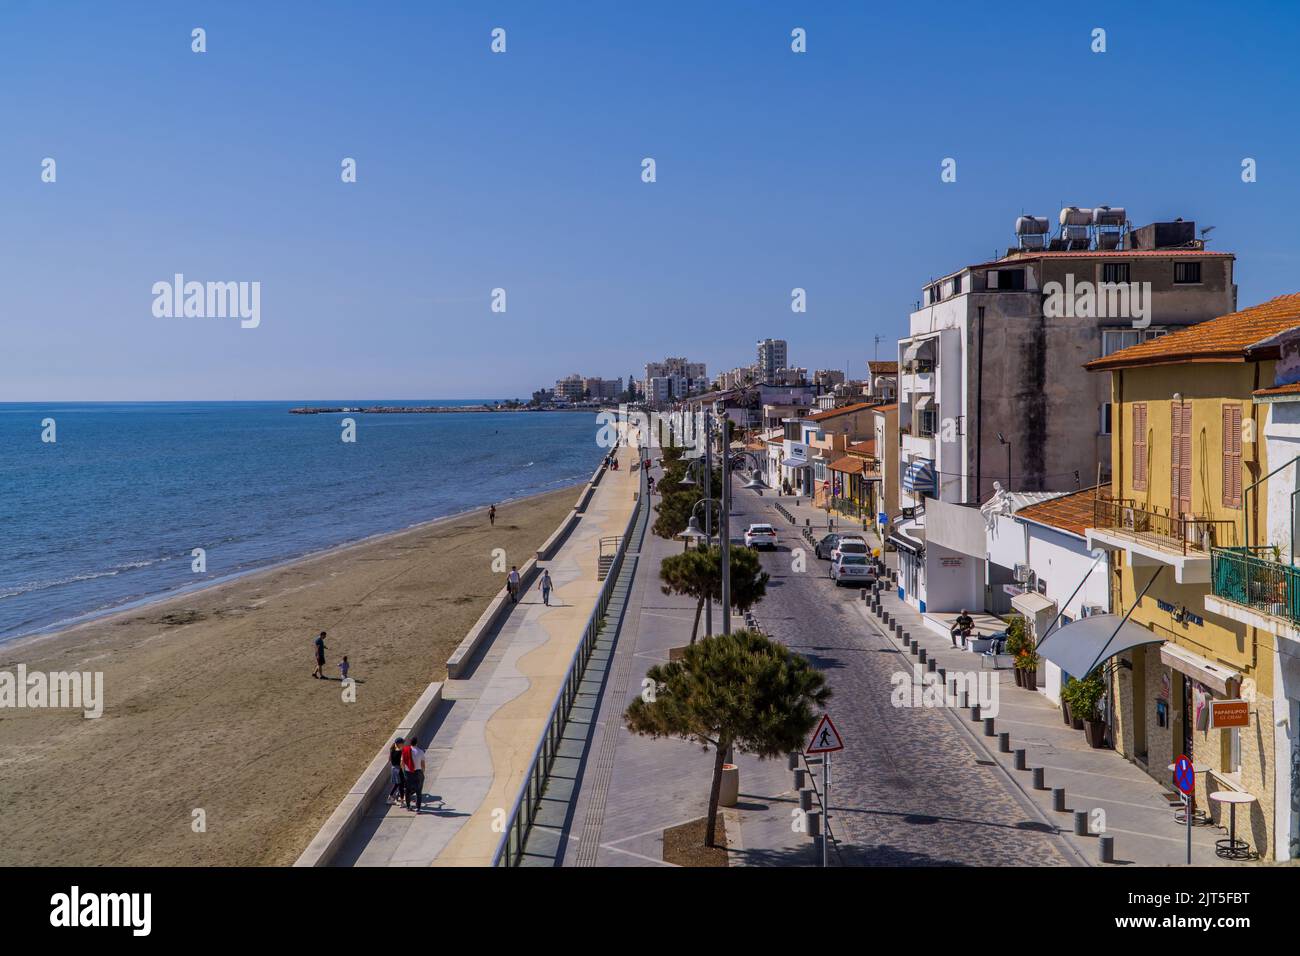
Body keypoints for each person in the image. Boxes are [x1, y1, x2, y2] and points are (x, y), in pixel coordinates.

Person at [401, 735, 426, 812]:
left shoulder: (405, 751)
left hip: (408, 773)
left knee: (408, 791)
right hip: (418, 773)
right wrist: (422, 772)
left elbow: (402, 763)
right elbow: (423, 765)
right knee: (418, 791)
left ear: (410, 742)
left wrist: (404, 771)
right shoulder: (421, 752)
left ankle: (408, 806)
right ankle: (418, 808)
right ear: (417, 743)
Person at [388, 737, 406, 806]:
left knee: (396, 784)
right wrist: (403, 771)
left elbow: (389, 759)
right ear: (399, 744)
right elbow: (402, 762)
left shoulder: (392, 750)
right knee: (401, 785)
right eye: (402, 743)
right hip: (399, 770)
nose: (404, 744)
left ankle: (389, 798)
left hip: (393, 769)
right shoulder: (401, 752)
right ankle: (402, 802)